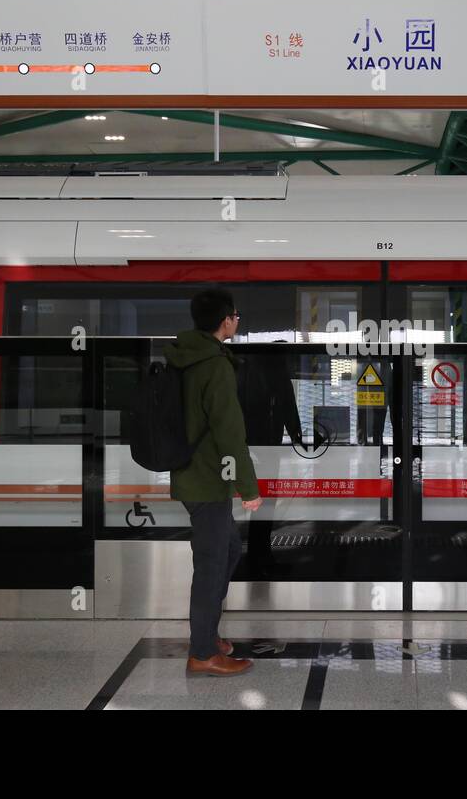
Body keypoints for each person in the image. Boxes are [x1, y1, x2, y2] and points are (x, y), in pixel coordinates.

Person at [164, 288, 262, 676]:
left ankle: (207, 634)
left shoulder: (183, 357)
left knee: (229, 548)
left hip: (192, 473)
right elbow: (229, 432)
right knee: (211, 562)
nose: (237, 320)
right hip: (208, 479)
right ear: (225, 320)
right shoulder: (214, 365)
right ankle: (203, 652)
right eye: (235, 315)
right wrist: (248, 487)